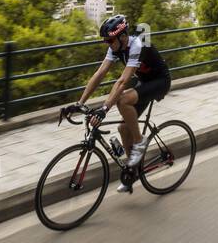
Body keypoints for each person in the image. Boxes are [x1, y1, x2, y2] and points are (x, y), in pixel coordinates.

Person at [74, 14, 172, 192]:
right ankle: (131, 171)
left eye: (110, 40)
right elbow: (100, 73)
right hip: (144, 82)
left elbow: (122, 82)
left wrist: (104, 109)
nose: (108, 44)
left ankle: (139, 141)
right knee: (122, 128)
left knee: (122, 100)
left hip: (160, 82)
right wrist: (79, 103)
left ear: (123, 36)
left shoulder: (137, 45)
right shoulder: (116, 47)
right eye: (106, 41)